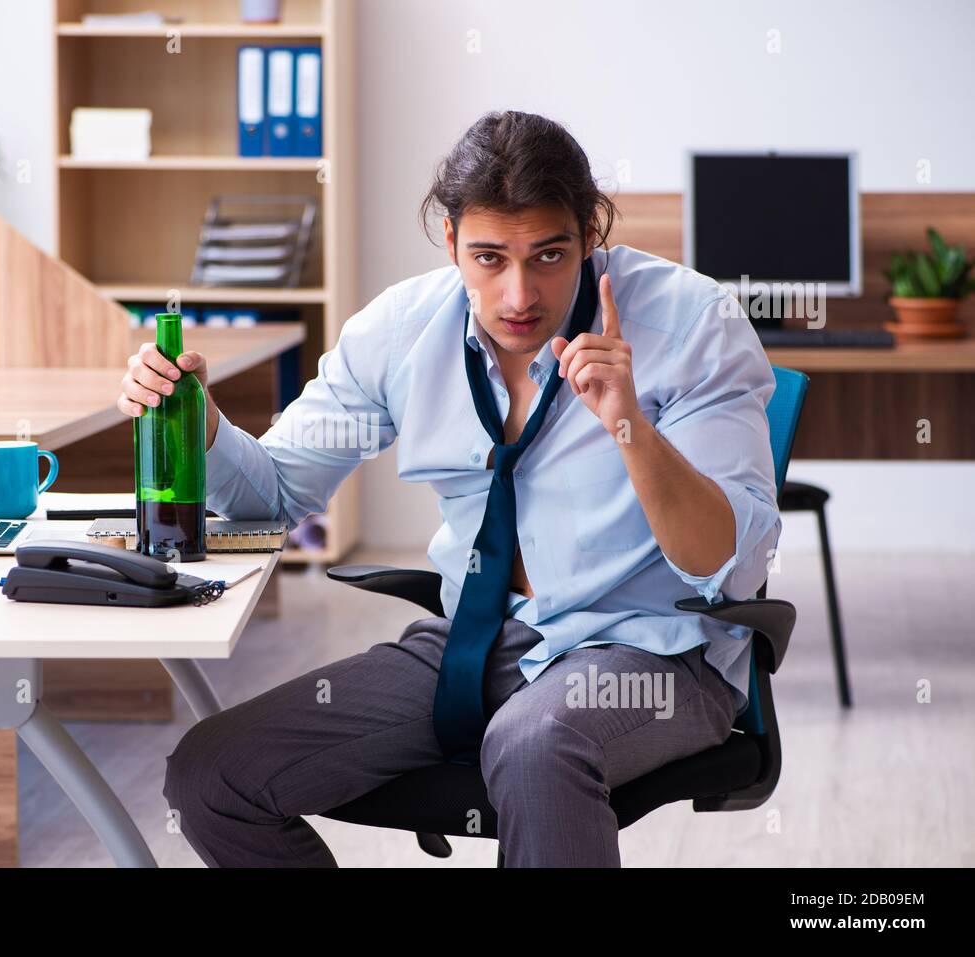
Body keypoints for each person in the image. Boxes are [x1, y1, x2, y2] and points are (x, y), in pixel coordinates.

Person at [117, 110, 780, 867]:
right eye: (489, 257)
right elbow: (270, 495)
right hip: (476, 644)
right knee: (213, 773)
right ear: (451, 240)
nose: (518, 293)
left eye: (550, 255)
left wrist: (630, 424)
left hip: (653, 650)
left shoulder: (694, 323)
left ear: (591, 233)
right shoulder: (405, 330)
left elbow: (728, 564)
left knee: (534, 745)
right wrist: (202, 423)